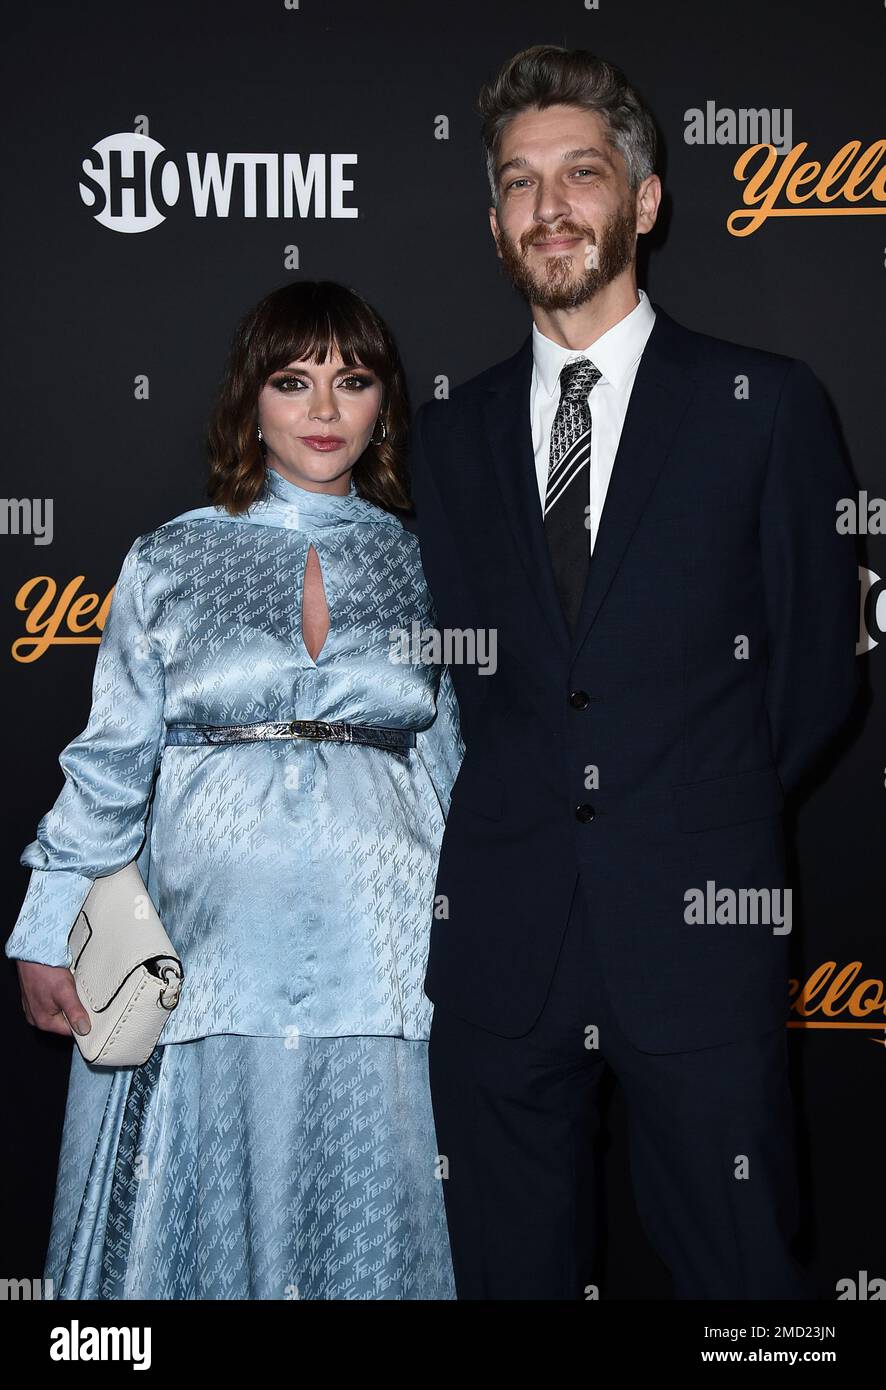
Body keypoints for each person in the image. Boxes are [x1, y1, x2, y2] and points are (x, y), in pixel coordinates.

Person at [410, 45, 860, 1299]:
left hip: (697, 937)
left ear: (644, 200)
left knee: (746, 1292)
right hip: (502, 947)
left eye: (581, 174)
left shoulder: (761, 406)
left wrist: (690, 812)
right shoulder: (445, 436)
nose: (549, 207)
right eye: (518, 183)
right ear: (494, 218)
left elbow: (815, 674)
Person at [6, 279, 462, 1300]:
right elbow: (111, 760)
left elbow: (458, 765)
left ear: (384, 401)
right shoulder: (171, 555)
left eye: (353, 381)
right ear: (249, 401)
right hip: (208, 939)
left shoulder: (431, 563)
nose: (325, 411)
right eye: (293, 382)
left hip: (384, 941)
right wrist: (47, 925)